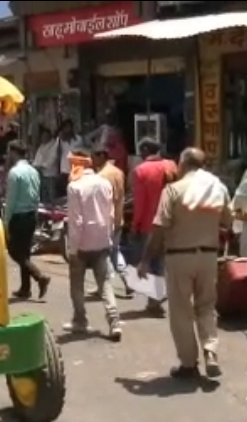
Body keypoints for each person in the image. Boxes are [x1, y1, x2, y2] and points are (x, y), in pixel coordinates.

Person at [138, 147, 232, 379]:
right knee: (207, 306)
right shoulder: (218, 188)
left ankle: (189, 363)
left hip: (179, 257)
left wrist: (146, 260)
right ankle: (211, 350)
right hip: (209, 256)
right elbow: (228, 222)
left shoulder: (173, 190)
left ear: (183, 164)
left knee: (181, 312)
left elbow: (159, 228)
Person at [63, 146, 122, 340]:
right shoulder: (104, 183)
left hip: (81, 243)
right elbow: (110, 214)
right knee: (105, 284)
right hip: (101, 240)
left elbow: (76, 221)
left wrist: (73, 248)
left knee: (77, 285)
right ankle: (114, 322)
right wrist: (108, 237)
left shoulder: (75, 187)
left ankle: (80, 321)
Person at [131, 137, 178, 314]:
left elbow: (140, 203)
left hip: (149, 224)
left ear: (144, 150)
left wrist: (135, 225)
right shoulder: (172, 166)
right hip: (172, 222)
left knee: (150, 261)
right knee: (164, 260)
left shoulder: (141, 171)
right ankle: (157, 298)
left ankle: (155, 299)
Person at [5, 140, 50, 299]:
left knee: (14, 251)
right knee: (25, 253)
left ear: (14, 153)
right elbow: (37, 196)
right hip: (31, 215)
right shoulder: (33, 171)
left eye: (9, 152)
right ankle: (25, 288)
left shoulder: (14, 173)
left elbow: (10, 201)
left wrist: (5, 222)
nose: (8, 156)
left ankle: (39, 277)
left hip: (18, 217)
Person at [91, 144, 131, 297]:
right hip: (117, 217)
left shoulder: (102, 176)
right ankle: (127, 281)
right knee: (114, 251)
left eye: (93, 157)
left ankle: (104, 286)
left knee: (101, 254)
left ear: (101, 156)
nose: (91, 160)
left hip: (105, 219)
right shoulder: (118, 172)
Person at [54, 119, 83, 198]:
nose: (68, 129)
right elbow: (57, 155)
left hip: (76, 168)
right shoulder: (60, 140)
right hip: (64, 169)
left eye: (69, 127)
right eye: (66, 128)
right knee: (65, 192)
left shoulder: (78, 139)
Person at [32, 127, 58, 204]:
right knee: (43, 195)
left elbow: (52, 159)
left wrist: (40, 166)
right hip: (41, 173)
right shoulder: (42, 146)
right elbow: (37, 159)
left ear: (49, 135)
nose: (43, 138)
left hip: (50, 174)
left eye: (45, 135)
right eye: (42, 136)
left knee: (51, 195)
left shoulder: (54, 145)